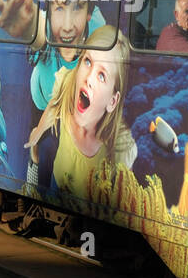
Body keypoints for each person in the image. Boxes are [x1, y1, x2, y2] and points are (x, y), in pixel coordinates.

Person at [25, 25, 136, 194]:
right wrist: (37, 135)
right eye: (88, 61)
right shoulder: (67, 82)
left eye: (101, 76)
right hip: (57, 186)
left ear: (112, 101)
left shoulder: (121, 148)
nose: (89, 78)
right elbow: (53, 106)